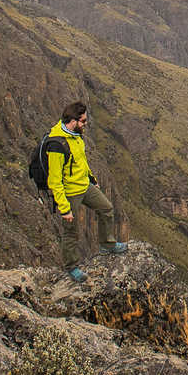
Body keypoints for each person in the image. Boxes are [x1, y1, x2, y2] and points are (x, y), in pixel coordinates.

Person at [43, 101, 124, 281]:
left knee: (106, 208)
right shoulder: (57, 145)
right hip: (70, 192)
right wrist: (64, 208)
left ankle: (107, 244)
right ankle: (71, 267)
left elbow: (81, 161)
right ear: (73, 121)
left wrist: (91, 178)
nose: (86, 124)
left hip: (84, 185)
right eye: (83, 121)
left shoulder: (76, 135)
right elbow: (54, 181)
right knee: (71, 231)